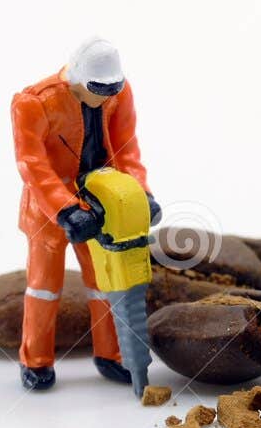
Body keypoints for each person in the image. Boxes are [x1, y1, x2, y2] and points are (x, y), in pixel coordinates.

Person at [10, 37, 160, 390]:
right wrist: (65, 210)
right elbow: (33, 166)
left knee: (103, 283)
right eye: (98, 88)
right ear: (76, 79)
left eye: (113, 87)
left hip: (102, 203)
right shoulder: (33, 104)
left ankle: (111, 355)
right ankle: (36, 361)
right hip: (50, 211)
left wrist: (141, 193)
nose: (107, 96)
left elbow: (126, 148)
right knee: (44, 288)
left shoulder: (117, 95)